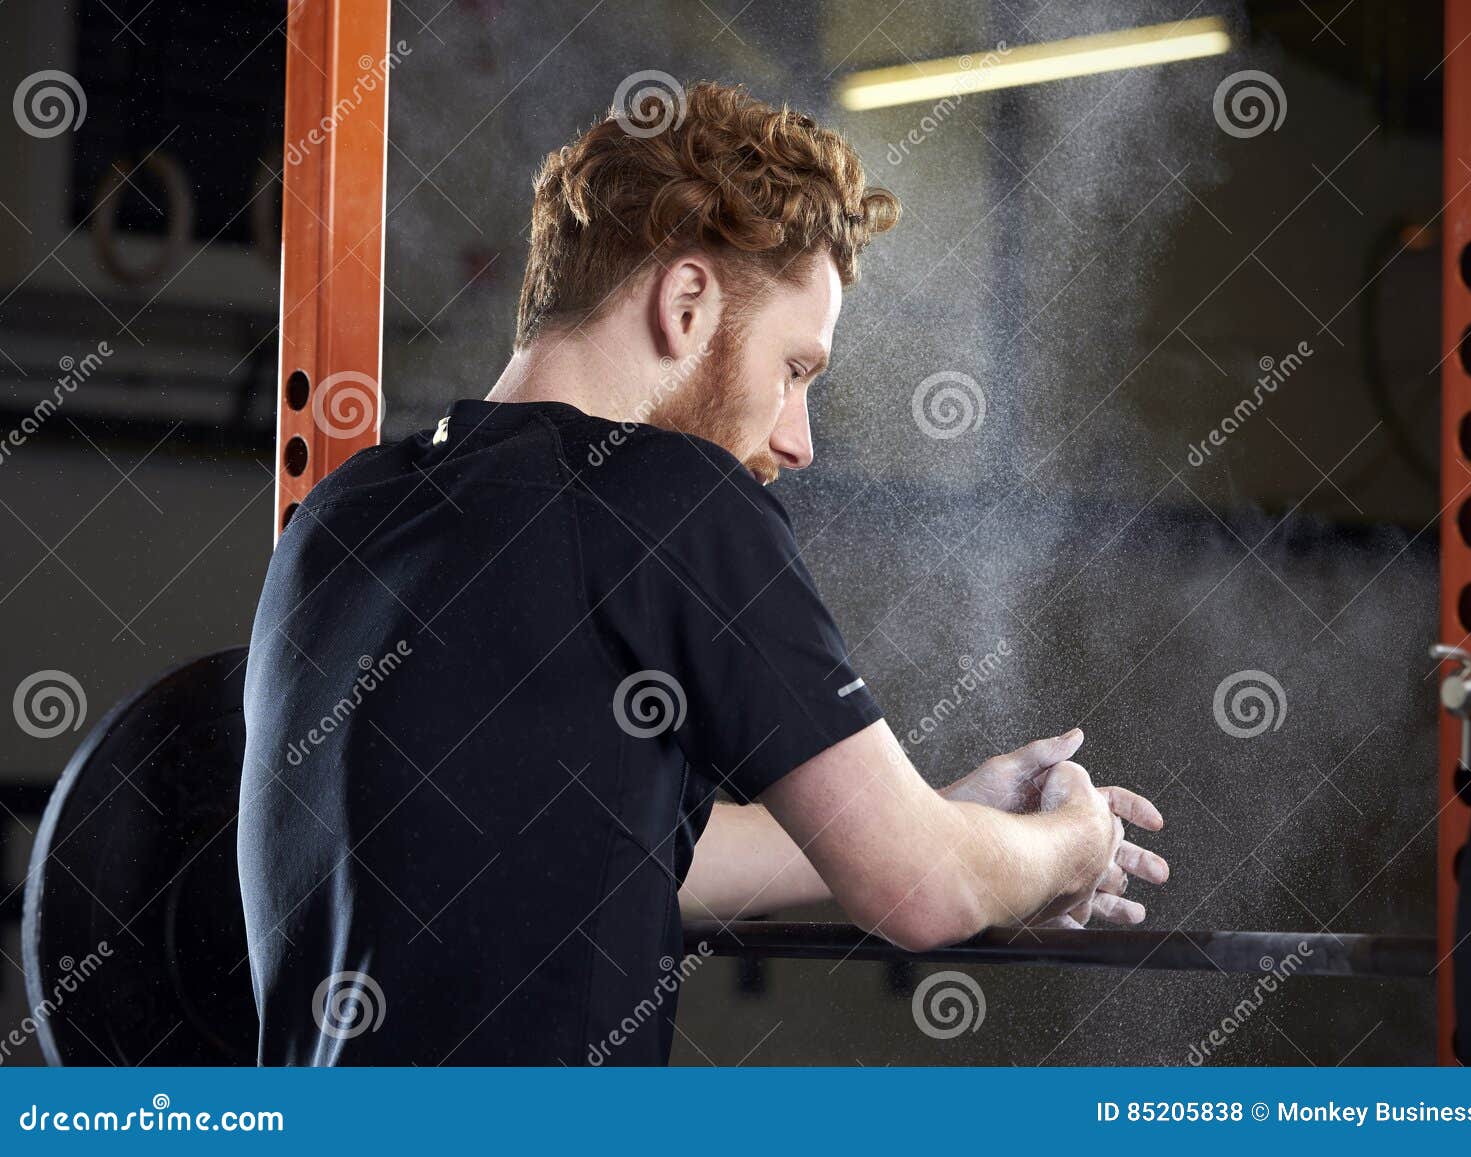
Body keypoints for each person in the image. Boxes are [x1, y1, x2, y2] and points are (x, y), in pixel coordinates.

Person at [238, 80, 1167, 1066]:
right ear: (685, 303)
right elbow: (922, 889)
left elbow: (561, 851)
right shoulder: (667, 494)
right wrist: (1073, 839)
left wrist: (945, 811)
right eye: (795, 369)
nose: (796, 438)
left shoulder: (346, 510)